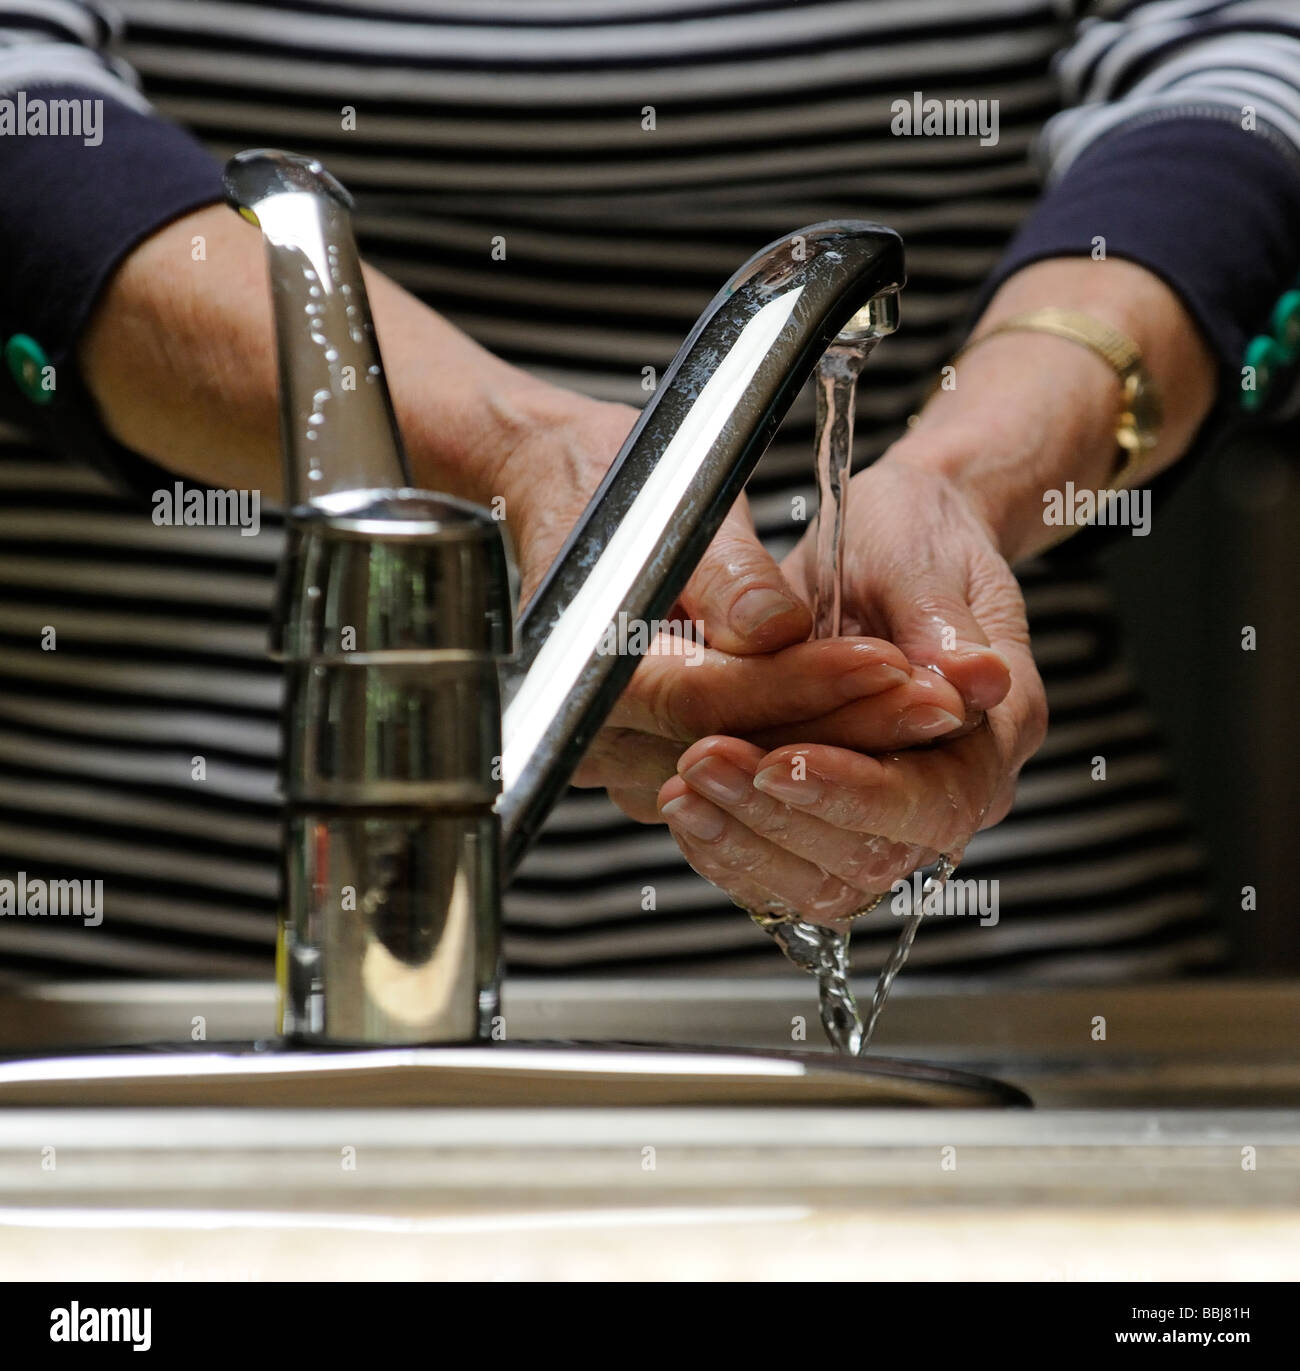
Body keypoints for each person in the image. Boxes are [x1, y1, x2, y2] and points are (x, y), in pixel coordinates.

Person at [0, 1, 1297, 983]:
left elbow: (1252, 81)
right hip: (149, 949)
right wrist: (504, 447)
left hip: (963, 939)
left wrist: (976, 475)